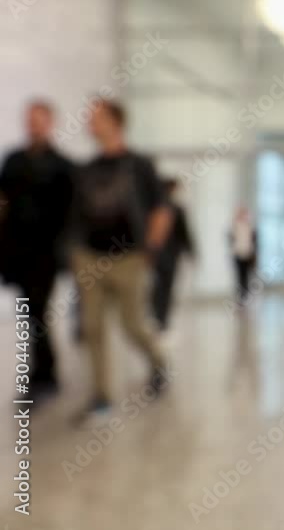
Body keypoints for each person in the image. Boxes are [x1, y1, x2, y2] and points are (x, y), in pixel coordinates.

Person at [72, 99, 173, 424]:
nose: (90, 123)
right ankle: (101, 395)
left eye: (97, 117)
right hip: (91, 258)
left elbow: (161, 209)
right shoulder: (88, 169)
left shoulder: (139, 165)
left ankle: (158, 363)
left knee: (131, 325)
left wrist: (151, 249)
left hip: (129, 258)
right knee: (92, 327)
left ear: (115, 122)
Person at [0, 100, 75, 403]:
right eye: (30, 120)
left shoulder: (62, 165)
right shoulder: (13, 160)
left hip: (46, 254)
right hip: (16, 252)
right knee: (28, 313)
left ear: (50, 123)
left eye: (39, 120)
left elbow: (70, 213)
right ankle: (41, 371)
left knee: (38, 312)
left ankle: (45, 373)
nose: (34, 125)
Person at [151, 178, 195, 331]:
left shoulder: (175, 209)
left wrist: (191, 251)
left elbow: (184, 233)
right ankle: (159, 315)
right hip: (160, 254)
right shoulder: (157, 208)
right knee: (162, 286)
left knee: (162, 286)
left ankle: (160, 316)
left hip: (168, 254)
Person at [229, 206, 257, 303]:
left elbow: (253, 242)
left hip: (248, 254)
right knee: (240, 276)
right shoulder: (235, 226)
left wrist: (252, 255)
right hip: (238, 254)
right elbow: (231, 240)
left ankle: (245, 295)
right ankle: (240, 295)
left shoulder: (249, 226)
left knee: (247, 276)